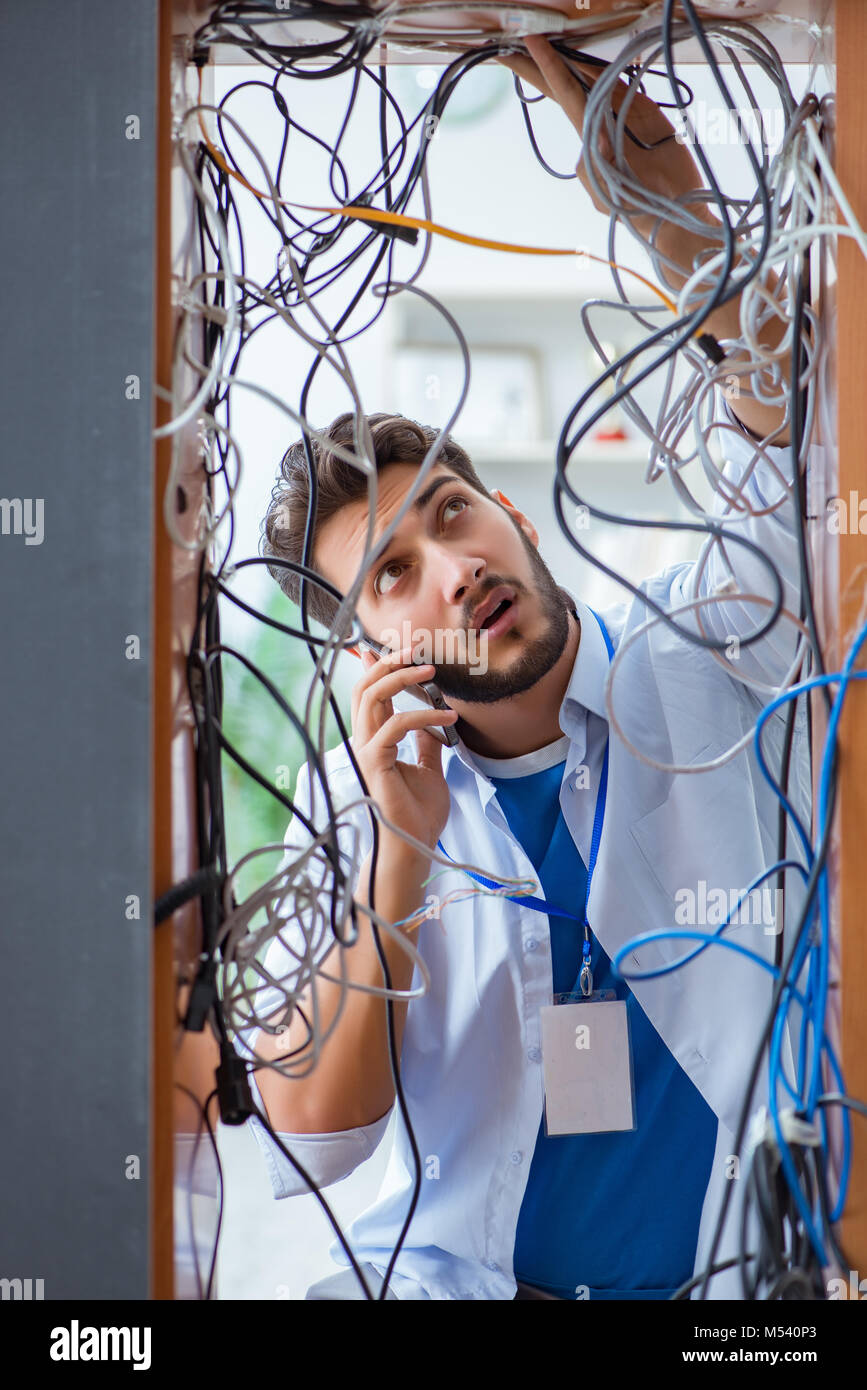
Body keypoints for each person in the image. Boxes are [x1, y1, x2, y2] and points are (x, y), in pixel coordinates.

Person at [243, 38, 809, 1300]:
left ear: (515, 516)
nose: (447, 569)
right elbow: (315, 1136)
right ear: (368, 654)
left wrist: (665, 207)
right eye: (390, 576)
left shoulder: (715, 643)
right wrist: (398, 851)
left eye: (451, 514)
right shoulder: (356, 807)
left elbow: (794, 428)